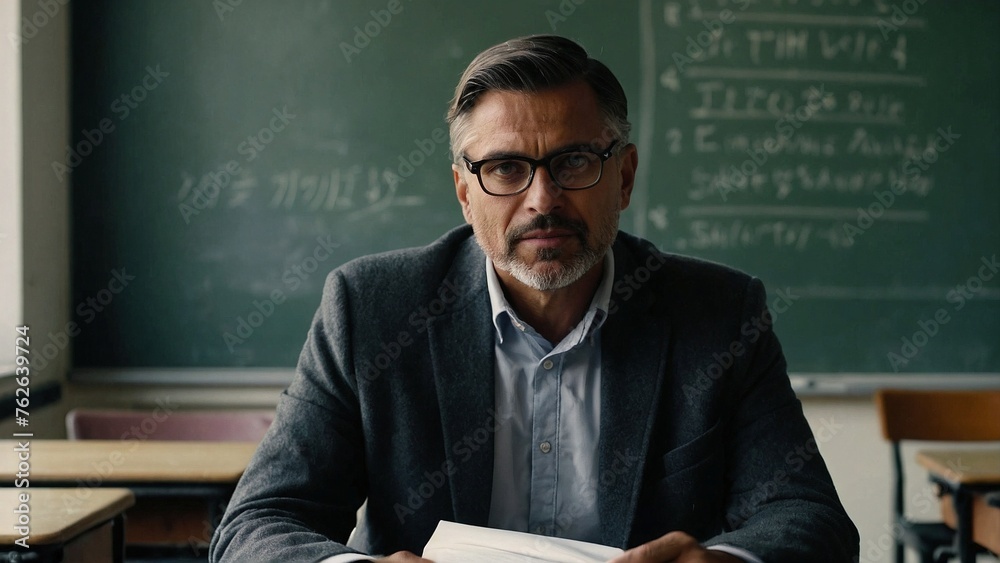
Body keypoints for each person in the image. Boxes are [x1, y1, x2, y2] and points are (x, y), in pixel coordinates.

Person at [210, 35, 859, 563]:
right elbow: (257, 525)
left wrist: (718, 562)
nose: (542, 200)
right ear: (465, 193)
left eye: (575, 162)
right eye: (505, 168)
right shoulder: (370, 309)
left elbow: (810, 519)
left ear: (624, 176)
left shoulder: (718, 314)